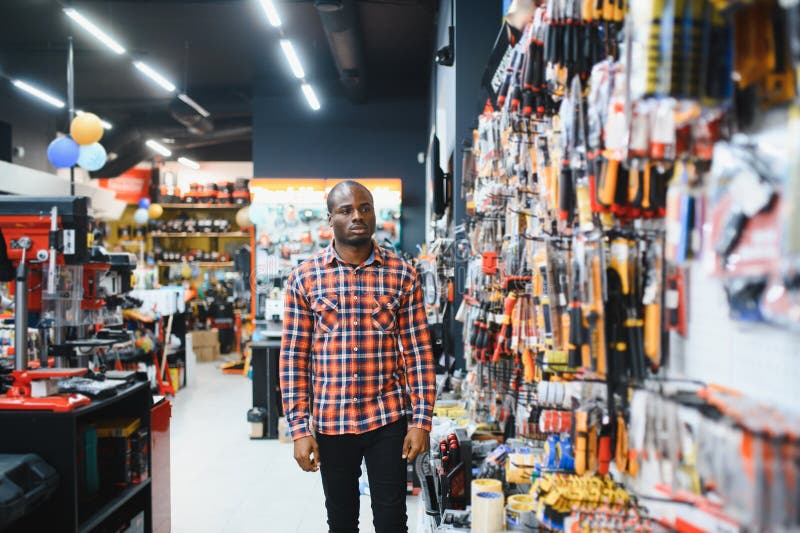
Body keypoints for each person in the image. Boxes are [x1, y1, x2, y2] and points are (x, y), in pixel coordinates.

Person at [279, 180, 436, 533]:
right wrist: (299, 429)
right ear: (330, 219)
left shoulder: (402, 274)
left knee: (392, 520)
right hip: (331, 421)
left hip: (387, 419)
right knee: (341, 521)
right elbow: (293, 358)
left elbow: (419, 352)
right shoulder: (304, 277)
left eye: (365, 208)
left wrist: (421, 421)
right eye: (346, 210)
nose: (357, 217)